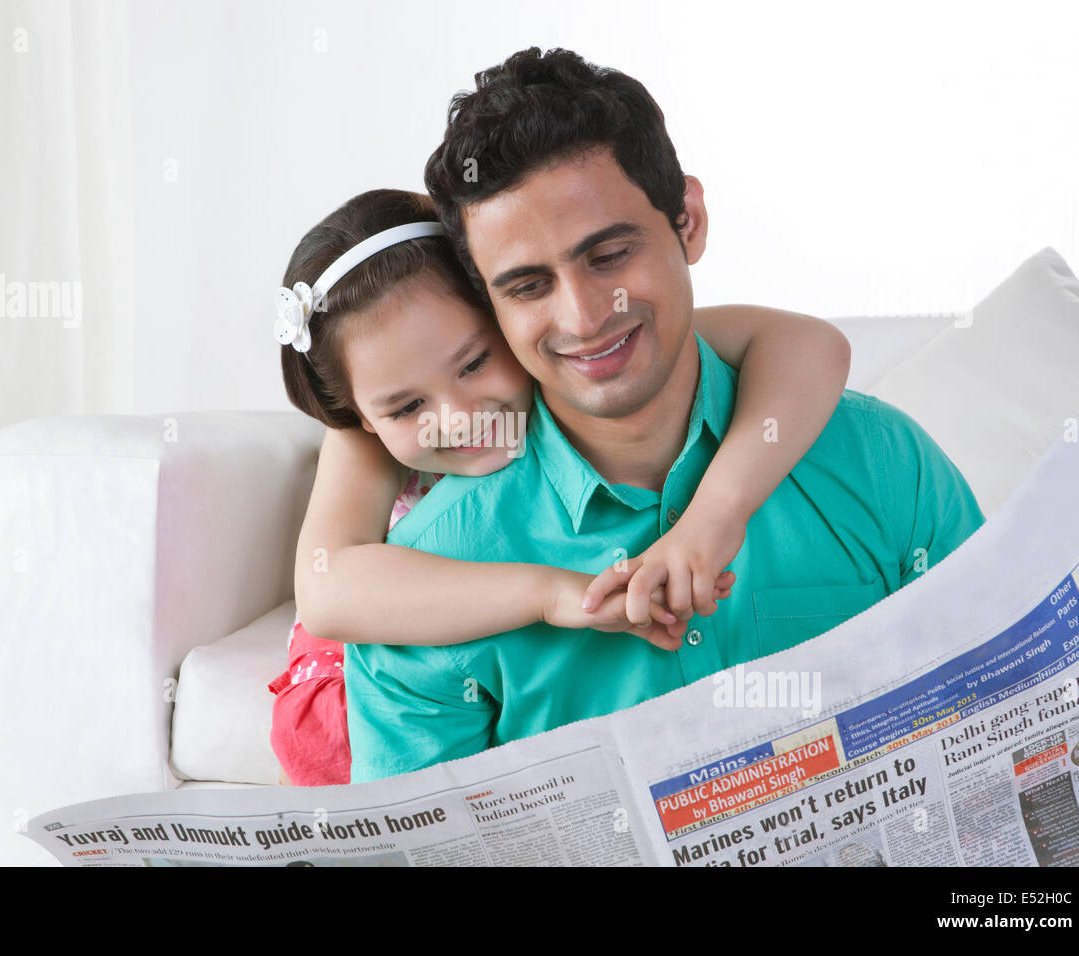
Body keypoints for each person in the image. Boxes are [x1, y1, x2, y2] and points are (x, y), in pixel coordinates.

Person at [343, 47, 986, 782]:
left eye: (610, 255)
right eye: (527, 286)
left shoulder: (881, 462)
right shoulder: (429, 584)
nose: (584, 318)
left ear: (689, 220)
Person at [270, 187, 854, 785]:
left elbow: (812, 345)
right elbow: (326, 592)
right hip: (364, 694)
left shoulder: (595, 347)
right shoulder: (364, 433)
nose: (457, 416)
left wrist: (712, 518)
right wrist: (549, 595)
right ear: (362, 415)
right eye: (406, 407)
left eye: (474, 364)